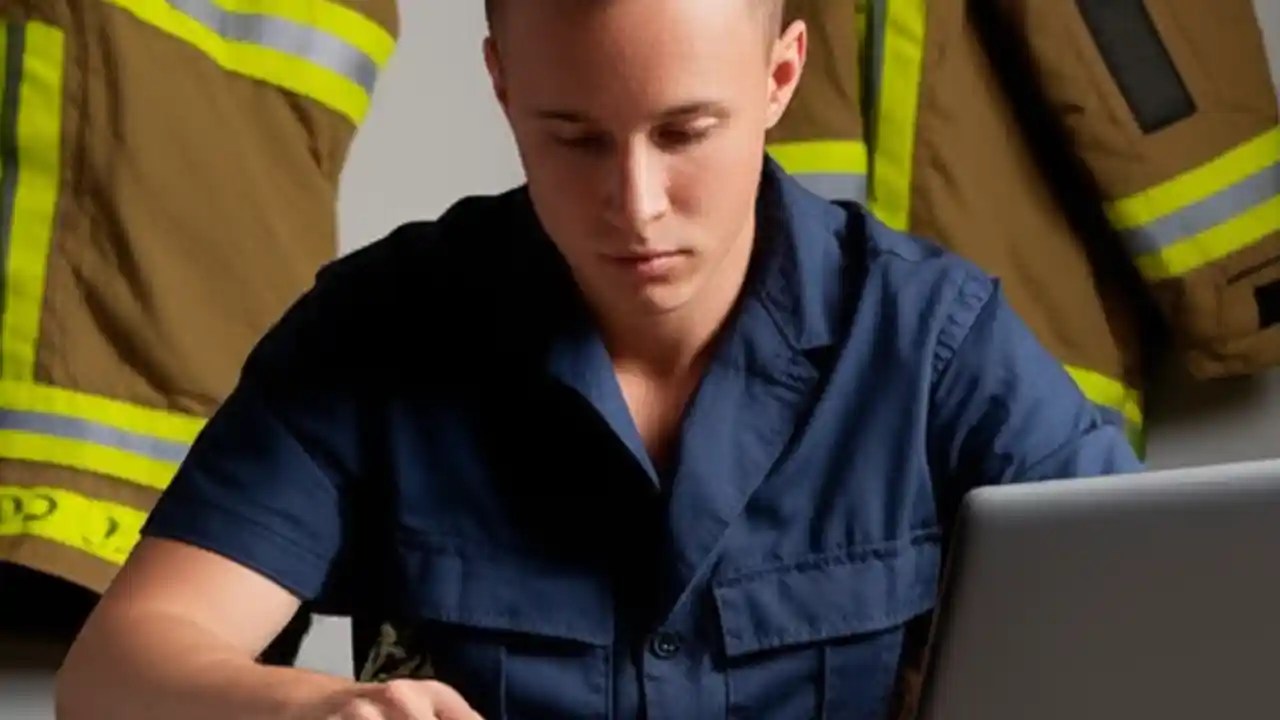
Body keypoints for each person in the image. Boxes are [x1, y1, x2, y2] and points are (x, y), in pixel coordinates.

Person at [54, 0, 1142, 717]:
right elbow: (115, 674)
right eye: (573, 137)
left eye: (684, 133)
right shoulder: (375, 335)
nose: (634, 207)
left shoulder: (934, 342)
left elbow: (1154, 636)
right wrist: (318, 711)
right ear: (501, 85)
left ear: (778, 77)